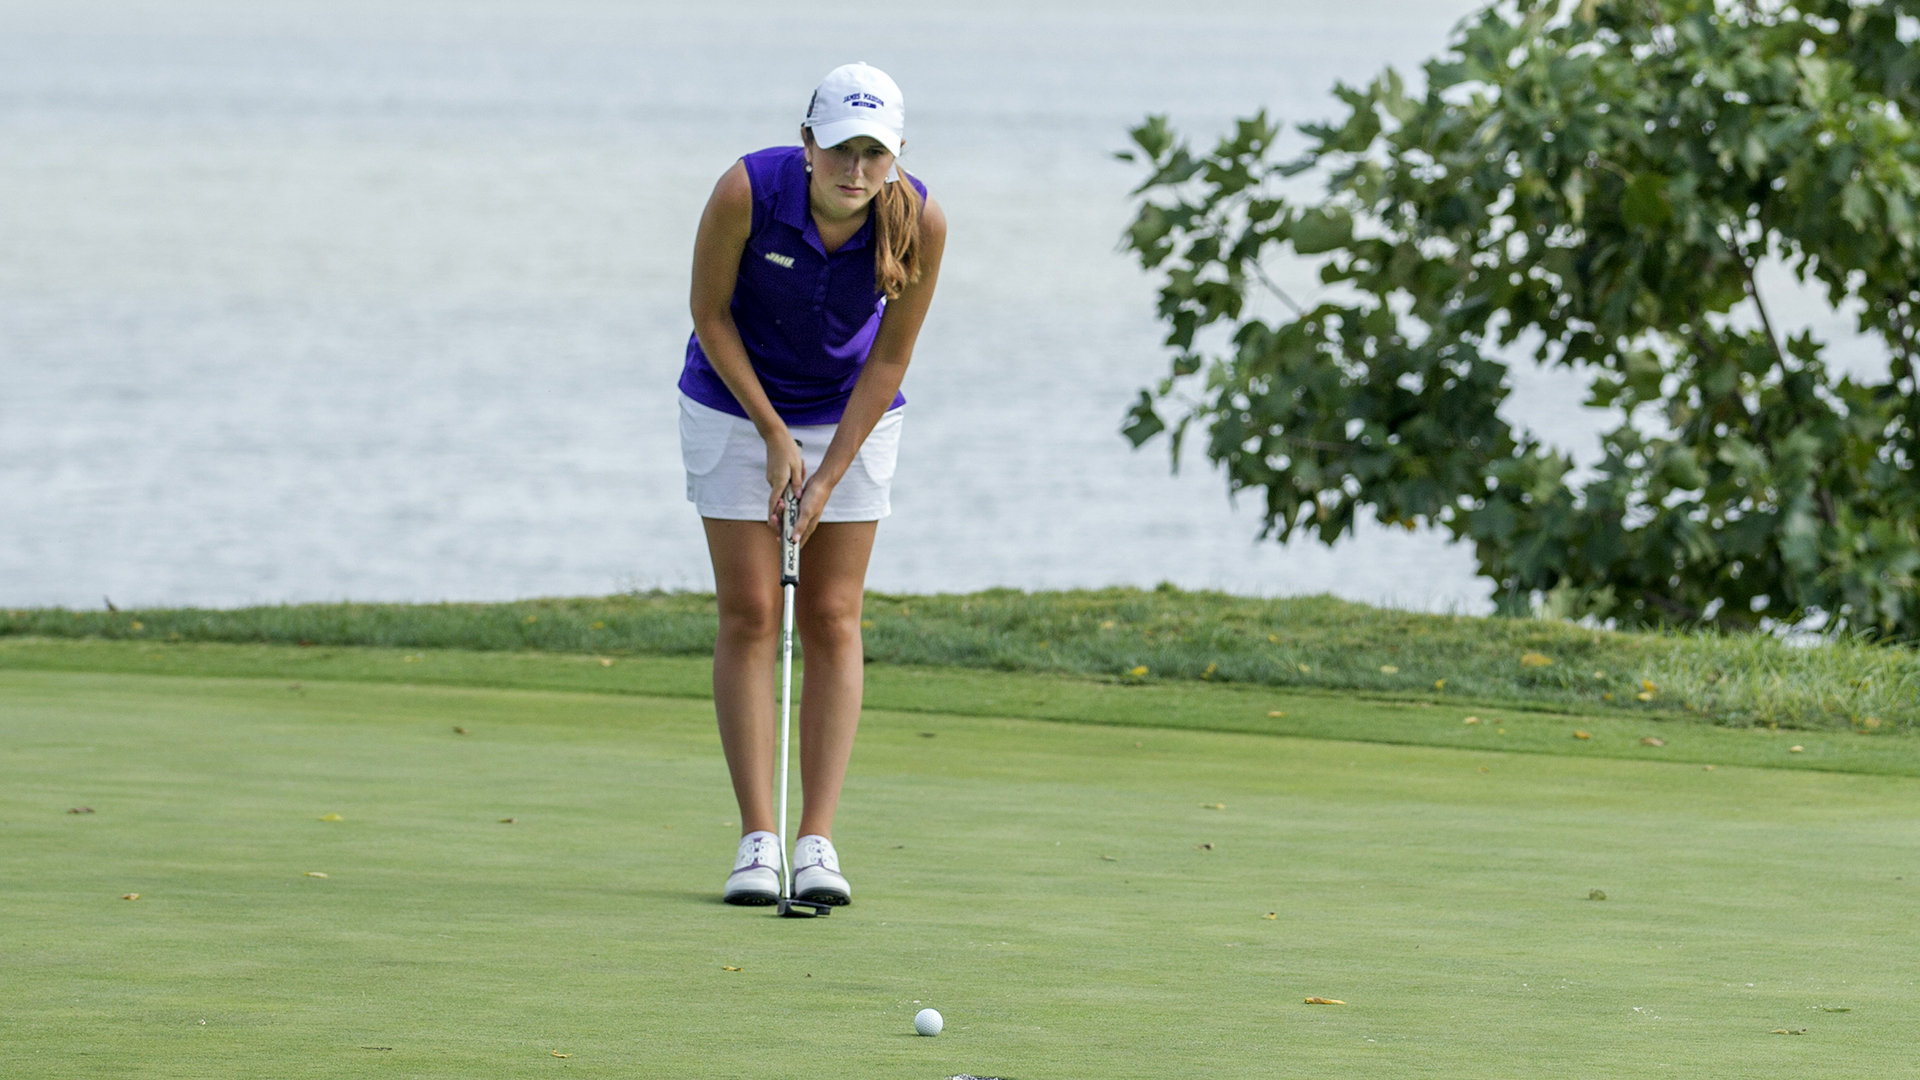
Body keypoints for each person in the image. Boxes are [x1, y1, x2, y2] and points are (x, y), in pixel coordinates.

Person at [678, 62, 946, 907]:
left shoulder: (921, 220)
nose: (855, 170)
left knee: (831, 614)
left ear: (896, 155)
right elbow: (709, 313)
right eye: (840, 149)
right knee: (753, 611)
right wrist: (768, 431)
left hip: (851, 416)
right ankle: (758, 841)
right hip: (731, 401)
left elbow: (892, 358)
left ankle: (817, 840)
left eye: (874, 153)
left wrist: (827, 472)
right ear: (807, 143)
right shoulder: (745, 191)